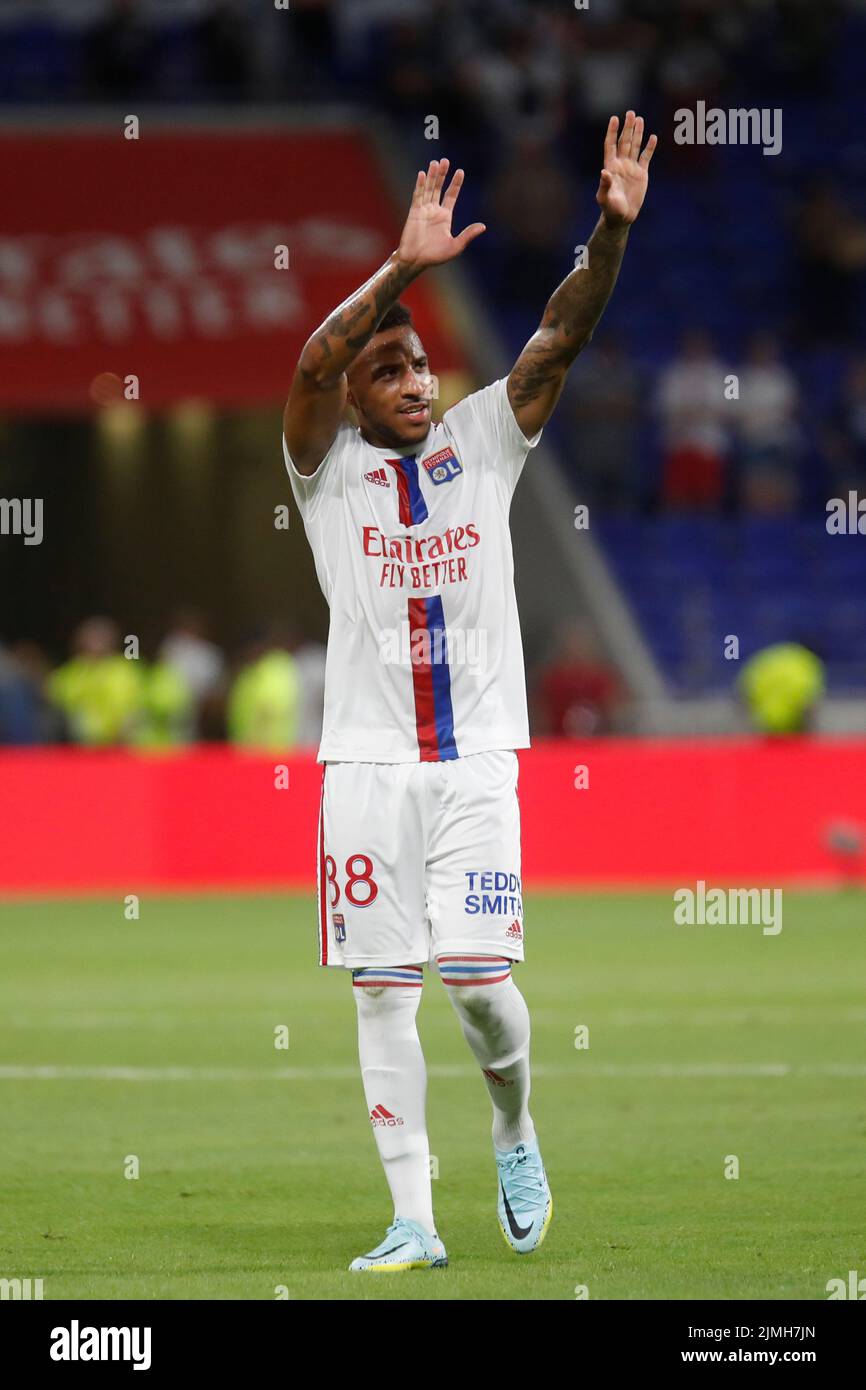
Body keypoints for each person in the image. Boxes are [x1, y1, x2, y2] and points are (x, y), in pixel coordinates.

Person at [282, 114, 656, 1272]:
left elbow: (556, 336)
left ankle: (511, 1125)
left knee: (481, 987)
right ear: (350, 399)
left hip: (475, 761)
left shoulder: (480, 442)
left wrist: (606, 228)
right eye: (382, 369)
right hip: (362, 770)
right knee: (382, 996)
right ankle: (411, 1220)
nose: (409, 379)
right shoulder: (323, 470)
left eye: (414, 362)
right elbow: (304, 363)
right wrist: (397, 266)